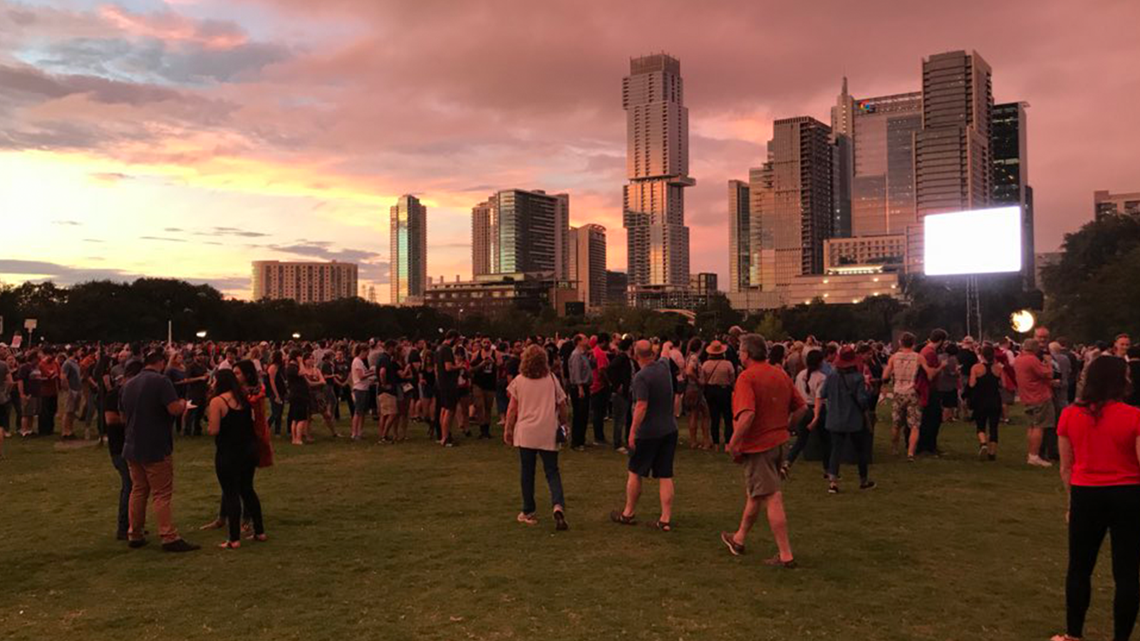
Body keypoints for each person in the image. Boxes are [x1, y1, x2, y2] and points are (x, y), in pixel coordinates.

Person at [1053, 356, 1140, 641]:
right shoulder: (1134, 416)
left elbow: (1066, 466)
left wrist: (1070, 502)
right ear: (1120, 380)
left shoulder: (1069, 415)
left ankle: (1073, 634)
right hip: (1128, 494)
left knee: (1079, 567)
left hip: (1085, 493)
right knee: (1126, 572)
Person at [720, 334, 807, 568]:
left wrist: (734, 442)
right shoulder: (779, 374)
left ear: (747, 354)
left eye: (740, 350)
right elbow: (801, 407)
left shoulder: (747, 378)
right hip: (779, 443)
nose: (739, 354)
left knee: (771, 495)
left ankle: (786, 555)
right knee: (756, 493)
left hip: (759, 446)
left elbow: (747, 415)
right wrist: (786, 425)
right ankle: (738, 538)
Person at [120, 351, 197, 552]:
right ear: (161, 362)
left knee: (138, 490)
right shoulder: (161, 382)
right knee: (161, 493)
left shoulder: (129, 384)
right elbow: (173, 409)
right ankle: (168, 535)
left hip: (131, 444)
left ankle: (134, 533)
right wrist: (182, 404)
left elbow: (123, 415)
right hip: (155, 445)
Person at [611, 340, 678, 531]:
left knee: (635, 472)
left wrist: (632, 432)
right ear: (652, 353)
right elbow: (666, 352)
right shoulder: (664, 367)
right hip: (669, 429)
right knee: (665, 474)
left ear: (635, 355)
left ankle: (628, 513)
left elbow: (641, 405)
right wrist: (666, 344)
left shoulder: (641, 377)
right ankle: (665, 518)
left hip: (648, 432)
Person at [503, 345, 569, 530]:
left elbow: (512, 409)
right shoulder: (551, 379)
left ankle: (528, 510)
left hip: (526, 433)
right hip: (548, 430)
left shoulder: (519, 381)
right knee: (552, 471)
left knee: (527, 473)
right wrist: (564, 424)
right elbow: (562, 404)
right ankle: (557, 505)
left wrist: (508, 430)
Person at [207, 367, 266, 549]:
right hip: (248, 450)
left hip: (228, 452)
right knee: (247, 490)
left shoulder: (217, 401)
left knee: (231, 493)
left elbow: (214, 430)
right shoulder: (242, 397)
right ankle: (259, 531)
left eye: (214, 380)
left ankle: (234, 538)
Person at [818, 346, 876, 494]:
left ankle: (833, 483)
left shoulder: (831, 376)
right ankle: (863, 481)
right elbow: (862, 401)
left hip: (835, 417)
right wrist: (869, 392)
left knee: (835, 450)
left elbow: (823, 393)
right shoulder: (858, 377)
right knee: (860, 450)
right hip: (853, 419)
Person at [105, 360, 141, 539]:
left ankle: (134, 525)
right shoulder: (114, 394)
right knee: (129, 485)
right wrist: (134, 419)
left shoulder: (133, 393)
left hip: (134, 445)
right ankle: (123, 527)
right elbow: (111, 420)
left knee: (137, 487)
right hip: (119, 447)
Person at [1014, 338, 1057, 467]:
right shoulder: (1032, 359)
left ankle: (1031, 453)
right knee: (1039, 426)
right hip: (1039, 396)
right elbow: (1048, 374)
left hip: (1027, 396)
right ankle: (1034, 455)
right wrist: (1048, 363)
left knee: (1032, 426)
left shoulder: (1019, 359)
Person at [882, 332, 925, 460]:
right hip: (912, 392)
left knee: (896, 423)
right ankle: (910, 453)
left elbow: (885, 376)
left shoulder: (894, 357)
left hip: (898, 391)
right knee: (915, 425)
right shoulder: (918, 357)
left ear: (900, 342)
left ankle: (895, 448)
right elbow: (928, 372)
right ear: (914, 343)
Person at [786, 349, 828, 473]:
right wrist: (816, 416)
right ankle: (828, 469)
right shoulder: (822, 378)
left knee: (801, 440)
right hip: (816, 408)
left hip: (802, 408)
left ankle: (788, 462)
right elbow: (818, 398)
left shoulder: (800, 375)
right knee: (826, 441)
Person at [968, 344, 1004, 461]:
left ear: (981, 355)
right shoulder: (999, 368)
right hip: (995, 399)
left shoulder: (976, 368)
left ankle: (983, 442)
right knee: (994, 426)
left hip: (980, 399)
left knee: (980, 424)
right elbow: (1003, 385)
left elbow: (972, 384)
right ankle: (992, 453)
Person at [701, 340, 736, 451]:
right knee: (727, 417)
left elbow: (703, 379)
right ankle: (727, 443)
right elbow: (732, 379)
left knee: (714, 418)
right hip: (724, 390)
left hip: (711, 391)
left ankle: (716, 443)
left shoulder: (706, 365)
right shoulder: (728, 364)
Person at [607, 337, 634, 453]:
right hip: (621, 392)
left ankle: (627, 439)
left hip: (628, 391)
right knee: (620, 418)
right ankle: (617, 442)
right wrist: (617, 385)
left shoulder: (627, 358)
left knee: (627, 417)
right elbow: (611, 369)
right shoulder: (622, 358)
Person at [566, 335, 592, 451]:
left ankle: (581, 439)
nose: (587, 340)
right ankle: (576, 441)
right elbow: (576, 372)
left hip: (585, 386)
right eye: (585, 339)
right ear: (578, 341)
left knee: (584, 414)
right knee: (579, 414)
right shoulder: (576, 355)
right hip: (578, 387)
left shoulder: (584, 354)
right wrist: (580, 387)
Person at [683, 337, 709, 449]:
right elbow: (689, 371)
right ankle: (706, 440)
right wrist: (698, 380)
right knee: (704, 413)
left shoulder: (688, 356)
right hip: (695, 388)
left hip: (690, 387)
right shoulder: (694, 358)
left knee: (694, 413)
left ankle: (694, 441)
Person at [589, 333, 611, 446]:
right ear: (605, 342)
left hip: (593, 384)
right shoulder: (600, 354)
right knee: (599, 414)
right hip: (600, 386)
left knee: (597, 413)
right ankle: (599, 437)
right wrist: (608, 382)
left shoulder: (593, 351)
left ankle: (598, 436)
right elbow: (602, 370)